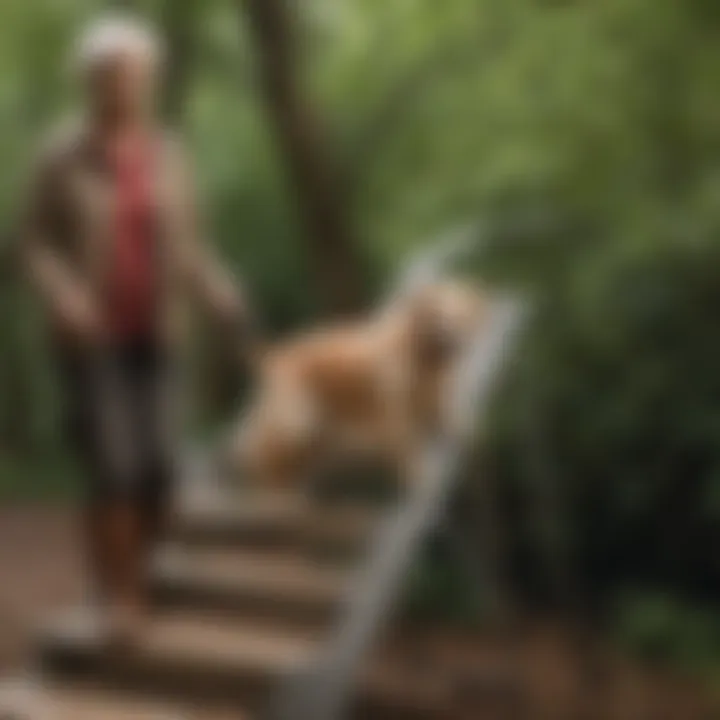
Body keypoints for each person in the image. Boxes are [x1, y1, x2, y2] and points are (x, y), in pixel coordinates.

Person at [19, 14, 245, 643]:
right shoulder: (60, 156)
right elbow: (32, 242)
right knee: (113, 465)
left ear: (151, 79)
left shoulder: (169, 152)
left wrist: (218, 288)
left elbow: (190, 244)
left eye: (138, 74)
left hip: (162, 329)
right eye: (113, 74)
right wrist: (62, 291)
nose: (126, 86)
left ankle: (137, 574)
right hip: (93, 338)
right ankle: (120, 596)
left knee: (163, 465)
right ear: (88, 81)